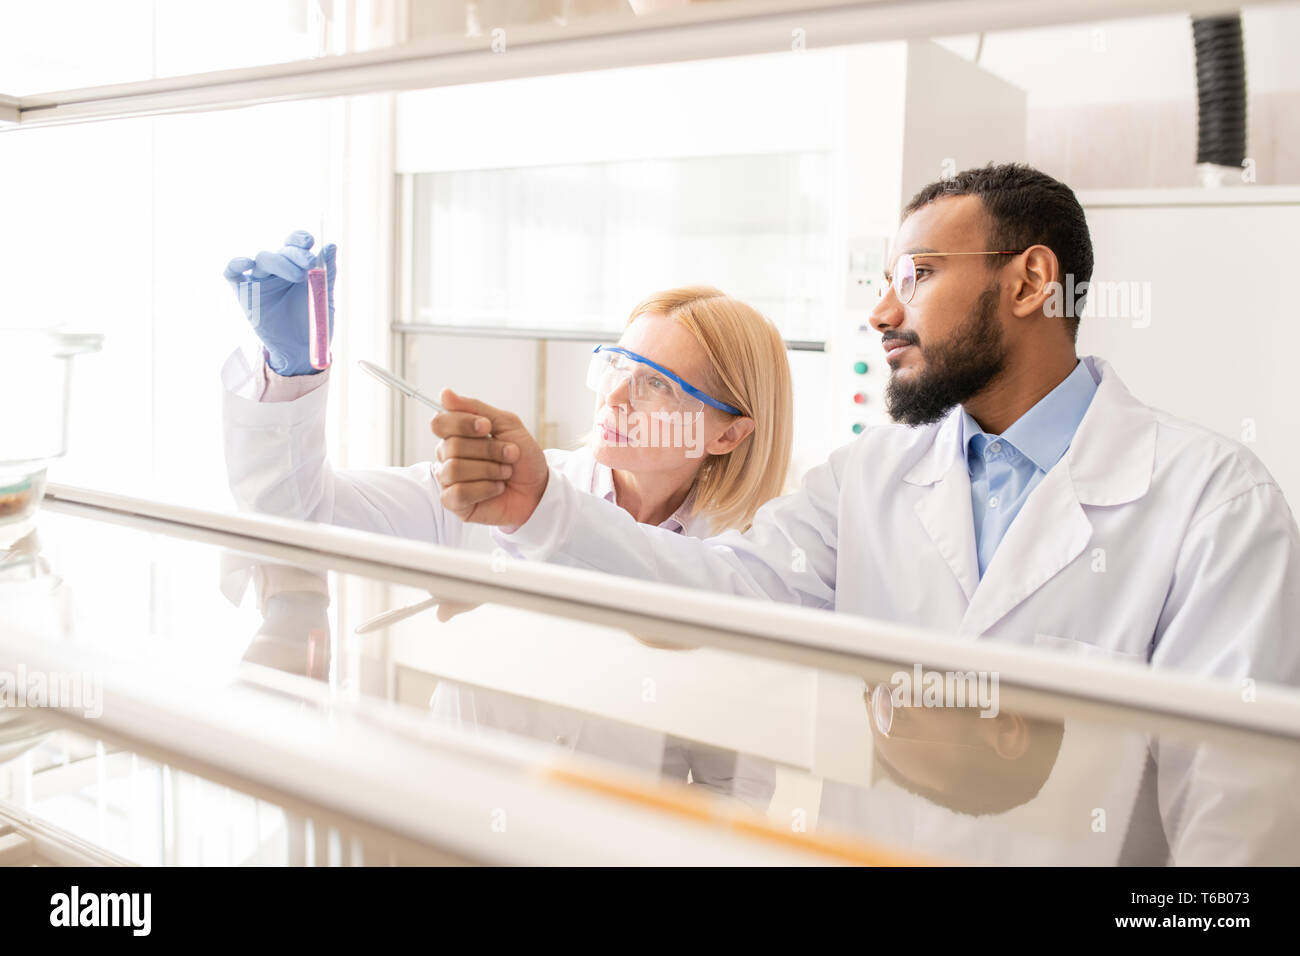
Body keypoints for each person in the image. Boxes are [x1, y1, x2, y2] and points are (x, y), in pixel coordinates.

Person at [429, 163, 1300, 863]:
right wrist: (544, 506)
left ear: (1033, 280)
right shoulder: (867, 477)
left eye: (917, 277)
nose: (882, 313)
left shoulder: (1212, 502)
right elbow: (718, 594)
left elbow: (1238, 822)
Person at [219, 237, 793, 809]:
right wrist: (293, 371)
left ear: (727, 434)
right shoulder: (494, 490)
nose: (614, 398)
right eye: (618, 364)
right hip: (450, 832)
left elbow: (731, 792)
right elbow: (297, 517)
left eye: (657, 384)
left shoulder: (732, 579)